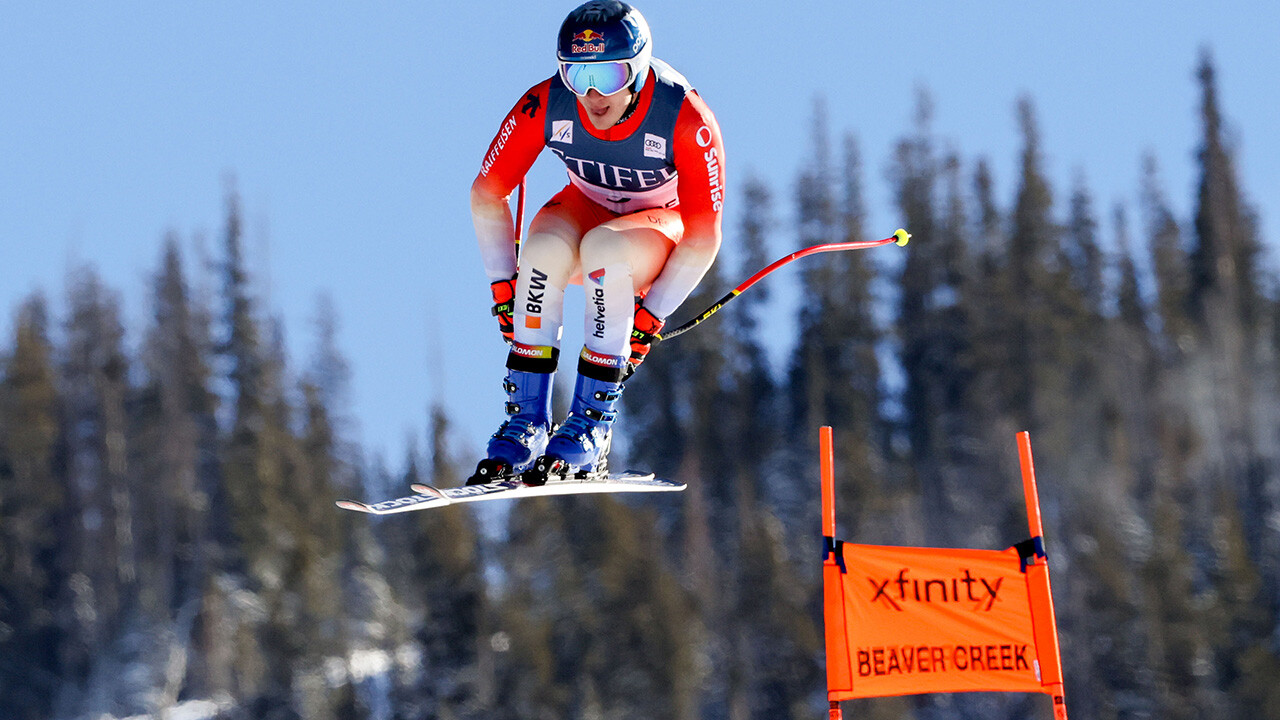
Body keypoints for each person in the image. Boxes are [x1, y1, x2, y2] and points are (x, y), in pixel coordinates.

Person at [468, 0, 725, 484]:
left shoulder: (684, 116)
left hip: (656, 227)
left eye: (607, 77)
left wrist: (651, 315)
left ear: (638, 71)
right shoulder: (547, 103)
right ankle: (527, 421)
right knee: (543, 252)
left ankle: (591, 427)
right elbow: (487, 194)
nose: (591, 95)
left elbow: (703, 235)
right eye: (577, 75)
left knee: (605, 250)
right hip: (586, 207)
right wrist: (504, 286)